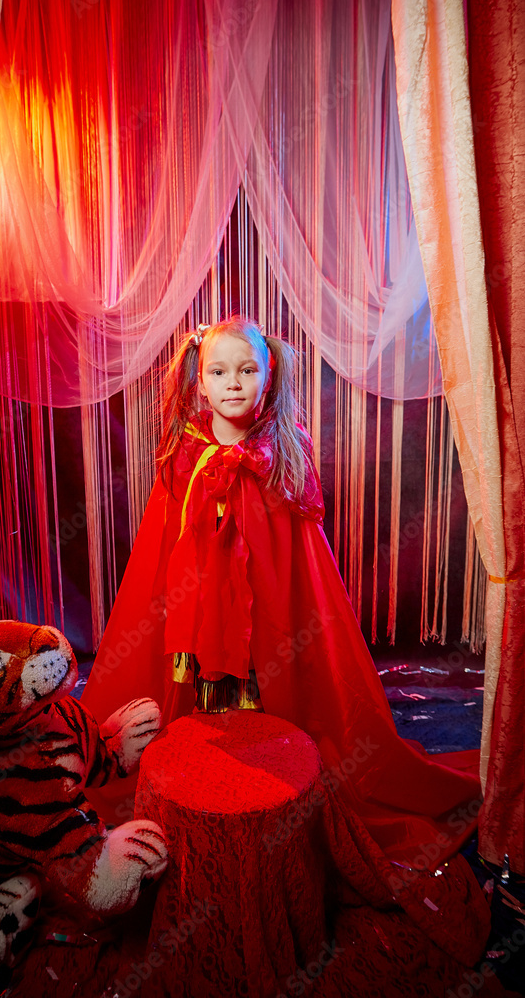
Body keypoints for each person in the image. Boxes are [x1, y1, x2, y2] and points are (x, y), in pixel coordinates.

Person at [81, 317, 481, 868]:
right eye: (219, 372)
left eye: (247, 371)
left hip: (263, 605)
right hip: (199, 600)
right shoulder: (184, 449)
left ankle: (263, 763)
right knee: (205, 693)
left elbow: (299, 546)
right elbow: (162, 540)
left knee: (261, 689)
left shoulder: (283, 446)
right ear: (200, 381)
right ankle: (212, 757)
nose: (233, 384)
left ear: (268, 377)